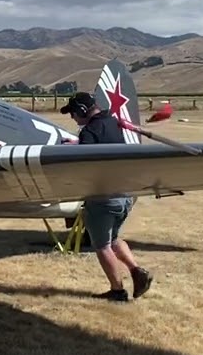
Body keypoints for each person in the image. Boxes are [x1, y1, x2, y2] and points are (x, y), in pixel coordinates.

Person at [59, 91, 154, 302]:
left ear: (83, 111)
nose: (73, 118)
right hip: (124, 195)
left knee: (101, 245)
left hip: (103, 197)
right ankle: (137, 271)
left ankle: (117, 291)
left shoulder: (90, 131)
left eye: (73, 113)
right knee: (113, 240)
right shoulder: (111, 123)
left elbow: (84, 163)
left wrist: (70, 151)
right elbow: (100, 148)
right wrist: (80, 145)